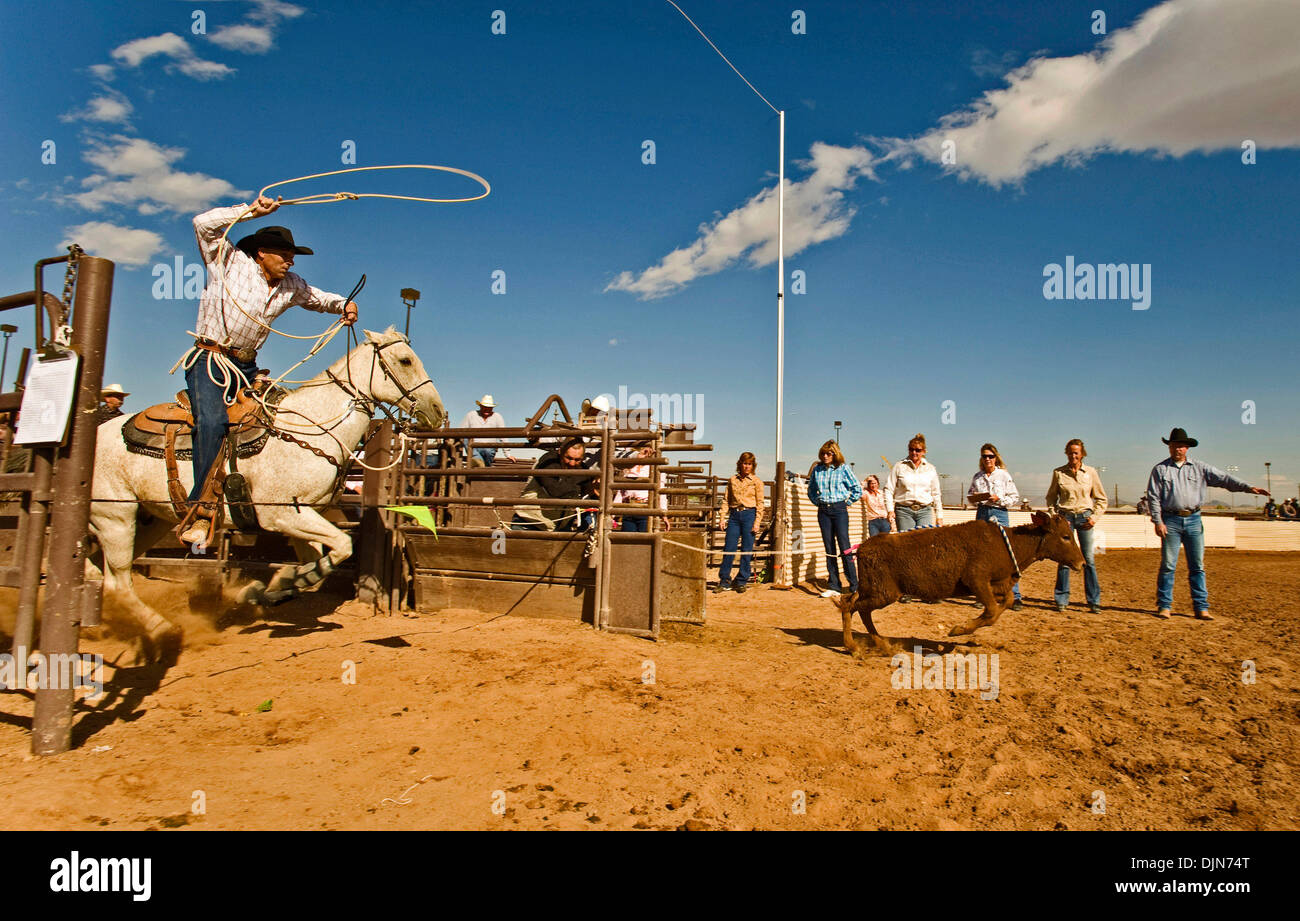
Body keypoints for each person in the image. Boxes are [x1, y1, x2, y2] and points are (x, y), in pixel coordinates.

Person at [179, 195, 359, 544]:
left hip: (246, 366)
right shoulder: (227, 261)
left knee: (284, 417)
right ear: (261, 252)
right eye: (284, 254)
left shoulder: (291, 285)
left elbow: (318, 298)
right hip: (210, 360)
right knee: (213, 422)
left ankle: (273, 498)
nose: (290, 260)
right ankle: (201, 511)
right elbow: (202, 224)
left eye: (292, 256)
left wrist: (344, 304)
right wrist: (249, 211)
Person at [1145, 427, 1268, 620]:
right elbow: (1153, 497)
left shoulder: (1200, 468)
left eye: (1181, 446)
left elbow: (1224, 479)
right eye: (1175, 445)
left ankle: (1201, 607)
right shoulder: (1160, 470)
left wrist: (1248, 487)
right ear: (1170, 447)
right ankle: (1164, 605)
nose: (1178, 449)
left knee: (1197, 565)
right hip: (1171, 520)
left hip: (1193, 519)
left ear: (1187, 448)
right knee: (1168, 565)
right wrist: (1158, 521)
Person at [1045, 438, 1107, 613]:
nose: (1073, 455)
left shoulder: (1091, 473)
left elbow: (1102, 499)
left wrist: (1094, 517)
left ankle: (1094, 600)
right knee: (1064, 560)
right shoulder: (1059, 473)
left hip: (1085, 518)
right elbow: (1051, 497)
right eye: (1070, 452)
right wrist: (1054, 515)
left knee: (1088, 558)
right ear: (1066, 453)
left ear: (1082, 454)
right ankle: (1061, 598)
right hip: (1066, 519)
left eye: (1076, 452)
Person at [968, 443, 1024, 610]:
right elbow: (970, 497)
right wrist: (978, 498)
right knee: (982, 556)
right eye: (984, 456)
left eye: (990, 456)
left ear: (996, 457)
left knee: (1006, 555)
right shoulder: (977, 477)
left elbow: (1014, 497)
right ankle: (984, 596)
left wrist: (998, 499)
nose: (987, 459)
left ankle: (1015, 596)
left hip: (999, 513)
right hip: (982, 513)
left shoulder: (1004, 475)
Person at [808, 440, 861, 598]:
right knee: (829, 548)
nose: (825, 456)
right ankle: (834, 585)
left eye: (828, 453)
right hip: (823, 510)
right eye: (823, 453)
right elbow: (811, 490)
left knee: (845, 547)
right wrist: (818, 501)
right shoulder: (817, 470)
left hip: (839, 509)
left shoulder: (843, 469)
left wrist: (846, 502)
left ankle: (854, 585)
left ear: (835, 454)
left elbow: (857, 488)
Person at [511, 437, 597, 531]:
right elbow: (555, 490)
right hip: (529, 523)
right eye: (568, 458)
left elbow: (590, 490)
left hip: (559, 526)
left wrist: (595, 487)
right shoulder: (549, 461)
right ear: (560, 452)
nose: (572, 463)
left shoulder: (583, 469)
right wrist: (581, 488)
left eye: (577, 460)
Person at [716, 452, 764, 594]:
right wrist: (722, 517)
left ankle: (742, 580)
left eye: (749, 464)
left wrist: (757, 522)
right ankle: (724, 580)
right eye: (744, 463)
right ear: (740, 464)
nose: (747, 466)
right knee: (729, 548)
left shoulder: (756, 481)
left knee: (746, 549)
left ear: (753, 466)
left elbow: (760, 504)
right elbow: (726, 500)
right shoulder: (732, 480)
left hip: (749, 514)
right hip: (734, 515)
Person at [885, 433, 943, 531]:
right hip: (903, 511)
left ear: (924, 452)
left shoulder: (931, 469)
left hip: (925, 511)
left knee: (925, 544)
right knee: (906, 544)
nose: (914, 452)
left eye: (918, 450)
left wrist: (939, 516)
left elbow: (936, 494)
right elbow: (888, 489)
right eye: (911, 449)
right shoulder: (899, 466)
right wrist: (890, 510)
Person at [616, 442, 669, 534]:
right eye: (644, 450)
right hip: (628, 508)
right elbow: (621, 491)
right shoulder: (629, 467)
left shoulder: (657, 469)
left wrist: (664, 515)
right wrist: (613, 511)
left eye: (649, 450)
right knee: (626, 541)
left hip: (646, 508)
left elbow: (661, 492)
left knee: (643, 542)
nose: (646, 452)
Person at [459, 394, 511, 466]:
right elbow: (461, 431)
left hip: (489, 448)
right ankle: (478, 462)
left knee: (487, 452)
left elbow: (503, 436)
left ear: (492, 408)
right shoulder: (471, 415)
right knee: (465, 439)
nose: (487, 409)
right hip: (473, 447)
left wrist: (507, 454)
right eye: (485, 407)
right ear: (480, 406)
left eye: (489, 407)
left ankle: (479, 464)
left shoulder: (497, 417)